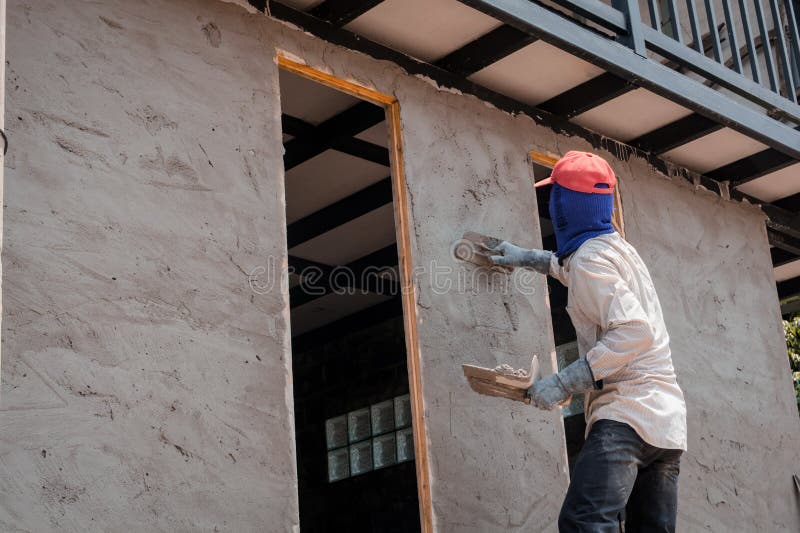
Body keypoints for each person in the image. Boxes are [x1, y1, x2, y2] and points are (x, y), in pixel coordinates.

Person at [489, 151, 687, 532]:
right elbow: (575, 270)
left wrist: (563, 383)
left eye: (555, 197)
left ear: (568, 206)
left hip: (629, 414)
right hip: (667, 426)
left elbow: (634, 332)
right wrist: (524, 257)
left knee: (584, 522)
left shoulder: (590, 261)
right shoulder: (616, 249)